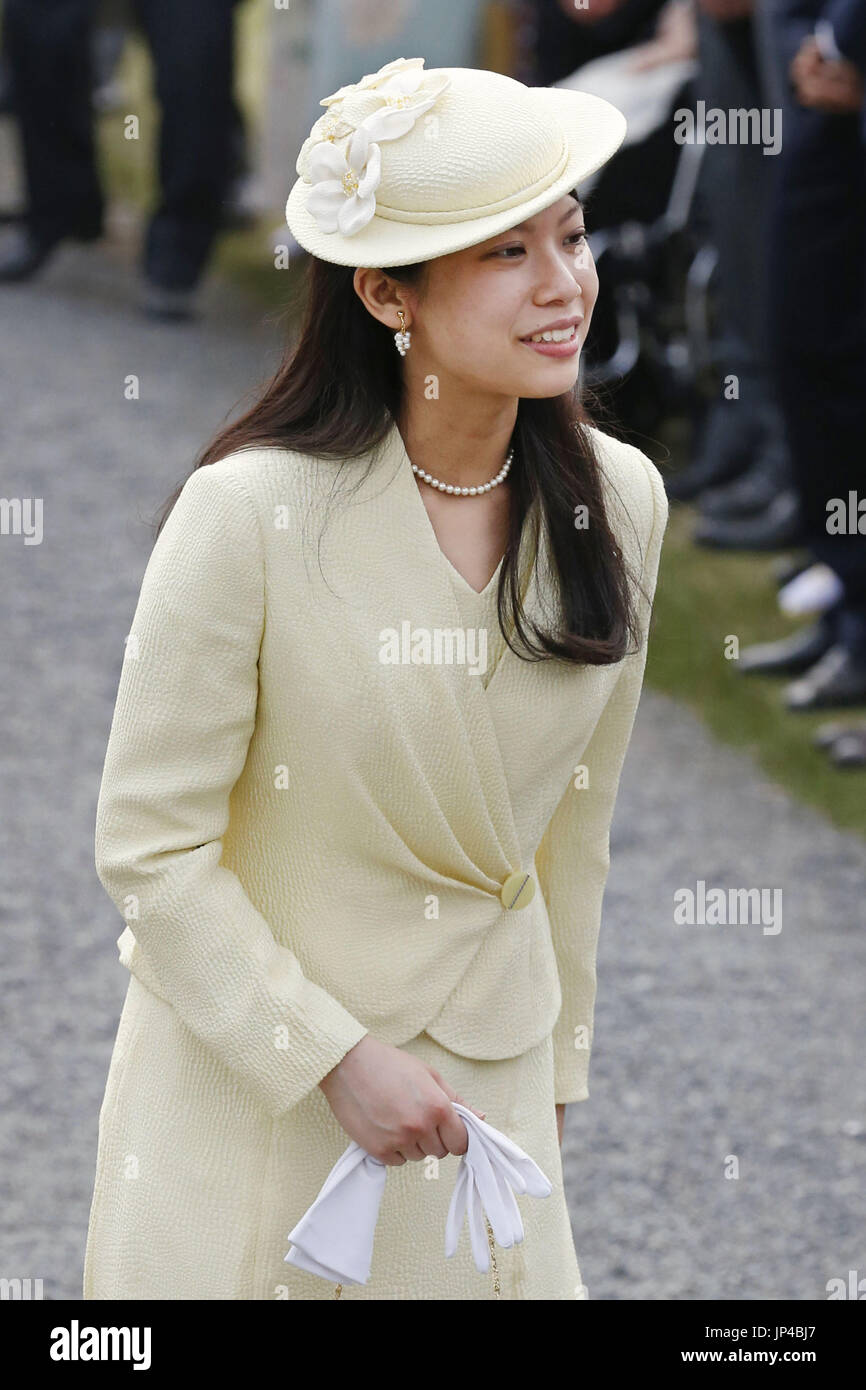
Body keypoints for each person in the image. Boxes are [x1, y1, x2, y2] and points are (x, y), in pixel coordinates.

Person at [82, 59, 669, 1301]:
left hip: (483, 1096)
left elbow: (577, 830)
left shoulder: (621, 499)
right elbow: (149, 849)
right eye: (506, 255)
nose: (564, 286)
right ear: (386, 294)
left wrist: (555, 1076)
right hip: (266, 1095)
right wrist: (331, 1056)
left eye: (569, 236)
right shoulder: (245, 514)